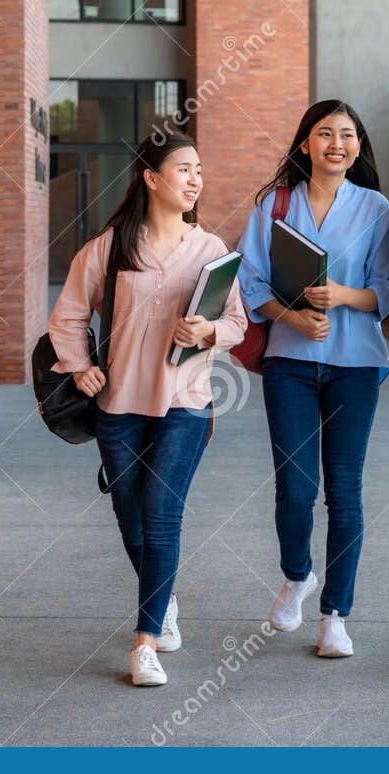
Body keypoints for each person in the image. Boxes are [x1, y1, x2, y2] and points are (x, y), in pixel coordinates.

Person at [48, 132, 248, 688]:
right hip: (119, 406)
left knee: (161, 516)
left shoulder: (210, 250)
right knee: (132, 522)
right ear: (151, 177)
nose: (195, 180)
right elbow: (66, 318)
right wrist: (78, 365)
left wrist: (209, 330)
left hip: (186, 404)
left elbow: (238, 321)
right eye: (184, 169)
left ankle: (145, 641)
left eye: (199, 171)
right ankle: (165, 603)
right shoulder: (108, 248)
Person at [237, 100, 389, 658]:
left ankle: (336, 614)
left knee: (345, 491)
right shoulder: (274, 205)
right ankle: (297, 574)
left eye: (348, 134)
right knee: (295, 487)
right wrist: (292, 317)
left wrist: (344, 297)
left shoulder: (378, 209)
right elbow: (251, 280)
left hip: (355, 365)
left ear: (359, 146)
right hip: (289, 362)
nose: (337, 142)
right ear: (305, 143)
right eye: (324, 133)